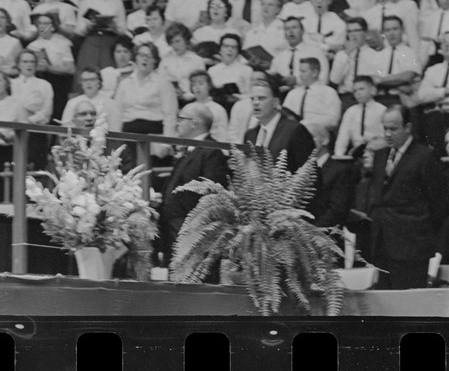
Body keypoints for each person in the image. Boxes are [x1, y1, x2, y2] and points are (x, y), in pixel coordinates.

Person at [363, 105, 449, 289]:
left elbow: (439, 203)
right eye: (385, 128)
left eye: (393, 128)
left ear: (408, 128)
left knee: (410, 303)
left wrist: (418, 229)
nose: (387, 133)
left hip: (412, 246)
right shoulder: (381, 155)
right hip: (382, 243)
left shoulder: (425, 155)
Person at [157, 103, 229, 266]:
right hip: (176, 226)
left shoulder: (212, 151)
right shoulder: (191, 149)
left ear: (194, 123)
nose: (177, 123)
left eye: (181, 119)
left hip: (193, 231)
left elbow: (211, 193)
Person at [115, 42, 179, 163]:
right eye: (141, 55)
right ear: (135, 58)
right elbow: (117, 114)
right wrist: (116, 142)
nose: (145, 58)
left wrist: (166, 144)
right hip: (128, 135)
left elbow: (170, 115)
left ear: (155, 60)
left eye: (149, 56)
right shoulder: (124, 83)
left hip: (154, 137)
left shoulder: (163, 83)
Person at [243, 76, 315, 173]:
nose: (255, 103)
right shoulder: (250, 135)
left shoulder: (295, 130)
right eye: (252, 98)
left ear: (275, 102)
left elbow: (310, 174)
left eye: (261, 98)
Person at [306, 123, 360, 229]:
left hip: (324, 236)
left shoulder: (340, 170)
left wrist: (312, 232)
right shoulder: (299, 168)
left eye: (310, 136)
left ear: (325, 140)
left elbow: (338, 210)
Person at [330, 17, 380, 109]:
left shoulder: (375, 55)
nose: (352, 35)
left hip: (367, 99)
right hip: (346, 97)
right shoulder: (341, 55)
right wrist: (346, 54)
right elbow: (334, 80)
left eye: (356, 30)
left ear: (365, 32)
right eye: (349, 31)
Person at [371, 15, 421, 107]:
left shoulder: (410, 53)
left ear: (402, 30)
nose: (391, 33)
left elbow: (407, 77)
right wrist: (397, 79)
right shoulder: (378, 55)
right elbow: (373, 79)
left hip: (400, 99)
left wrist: (382, 80)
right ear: (383, 33)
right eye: (388, 30)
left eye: (395, 29)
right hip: (379, 99)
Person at [282, 58, 342, 131]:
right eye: (300, 71)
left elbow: (333, 120)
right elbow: (284, 115)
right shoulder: (293, 93)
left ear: (315, 73)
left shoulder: (329, 92)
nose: (299, 75)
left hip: (317, 132)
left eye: (303, 71)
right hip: (293, 132)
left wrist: (306, 123)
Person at [334, 75, 386, 158]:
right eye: (355, 91)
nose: (358, 93)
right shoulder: (351, 111)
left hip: (377, 152)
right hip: (356, 153)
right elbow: (343, 137)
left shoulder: (382, 110)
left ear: (373, 90)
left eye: (361, 89)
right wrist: (338, 155)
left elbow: (384, 136)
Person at [269, 17, 329, 89]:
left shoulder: (316, 53)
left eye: (294, 27)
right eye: (287, 29)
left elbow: (323, 80)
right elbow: (270, 83)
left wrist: (297, 81)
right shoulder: (278, 58)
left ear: (302, 31)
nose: (291, 31)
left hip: (310, 96)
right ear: (284, 33)